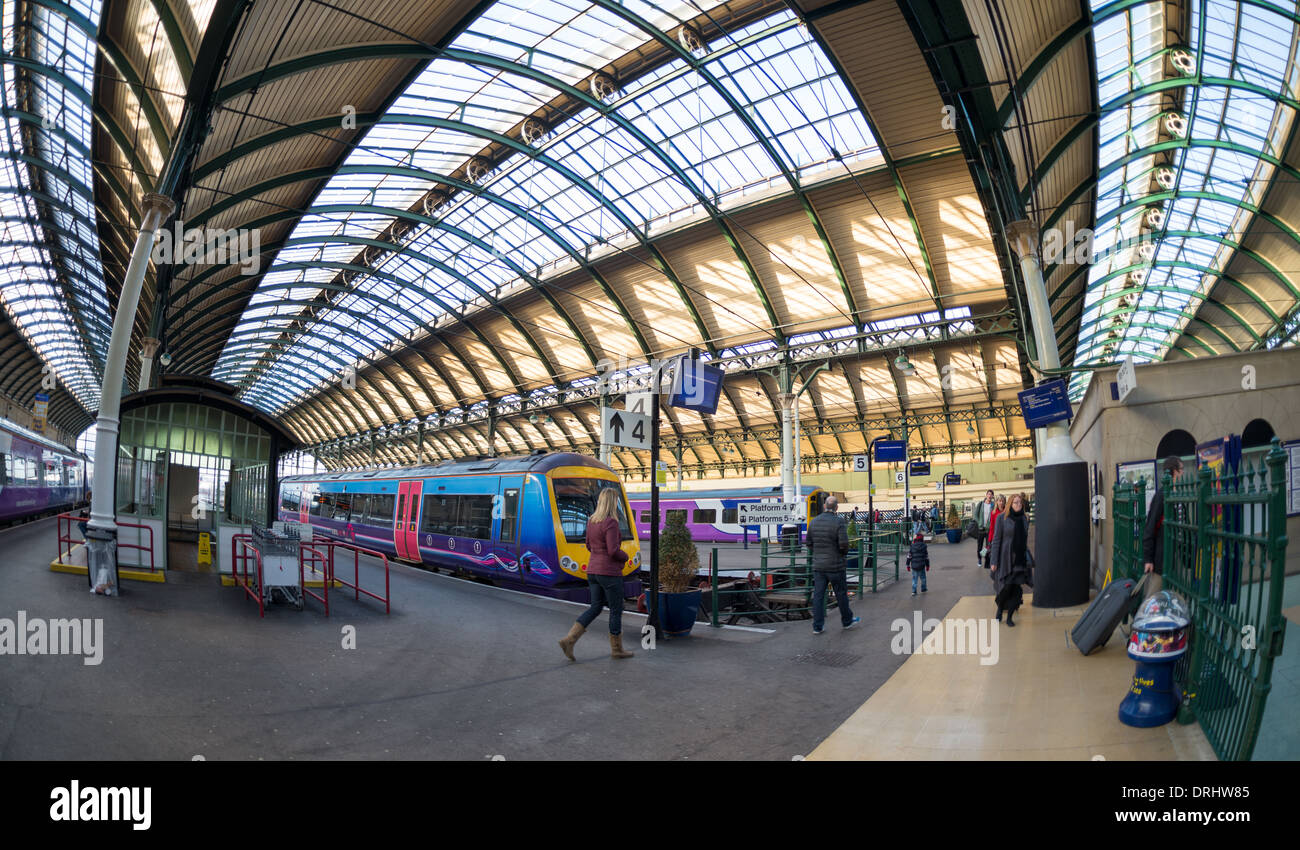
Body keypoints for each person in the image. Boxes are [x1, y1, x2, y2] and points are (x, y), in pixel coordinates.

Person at [559, 488, 632, 660]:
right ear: (613, 503)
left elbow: (589, 546)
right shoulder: (611, 523)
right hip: (609, 572)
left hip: (593, 570)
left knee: (595, 607)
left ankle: (570, 639)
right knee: (616, 610)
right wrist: (625, 556)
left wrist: (599, 554)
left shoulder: (592, 521)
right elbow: (613, 550)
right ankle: (617, 649)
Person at [806, 495, 860, 634]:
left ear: (824, 506)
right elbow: (844, 544)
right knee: (841, 594)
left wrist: (818, 553)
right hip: (836, 566)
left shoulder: (814, 522)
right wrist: (842, 554)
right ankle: (847, 621)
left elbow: (809, 543)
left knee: (818, 596)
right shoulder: (839, 522)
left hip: (819, 566)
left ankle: (817, 626)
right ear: (836, 507)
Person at [1141, 457, 1185, 600]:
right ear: (1174, 471)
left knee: (1175, 597)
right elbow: (1150, 527)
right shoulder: (1161, 495)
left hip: (1177, 555)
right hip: (1162, 558)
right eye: (1181, 470)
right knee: (1153, 598)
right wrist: (1148, 559)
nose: (1183, 473)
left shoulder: (1178, 494)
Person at [989, 492, 1033, 626]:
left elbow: (1024, 539)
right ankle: (1000, 608)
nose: (1018, 505)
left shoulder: (1025, 518)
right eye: (1016, 502)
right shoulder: (1002, 518)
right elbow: (996, 540)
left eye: (1020, 502)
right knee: (1006, 587)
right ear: (1010, 504)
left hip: (1020, 559)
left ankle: (1009, 617)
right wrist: (994, 561)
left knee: (1017, 590)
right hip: (1006, 559)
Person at [983, 494, 1006, 571]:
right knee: (995, 552)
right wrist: (990, 539)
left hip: (1005, 536)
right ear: (996, 502)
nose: (1001, 503)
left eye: (1003, 501)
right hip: (996, 537)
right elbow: (992, 527)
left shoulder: (1006, 511)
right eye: (1000, 501)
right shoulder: (993, 512)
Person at [907, 531, 930, 596]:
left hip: (914, 566)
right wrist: (927, 565)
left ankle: (914, 591)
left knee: (914, 579)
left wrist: (908, 565)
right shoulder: (924, 546)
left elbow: (909, 556)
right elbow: (926, 557)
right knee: (923, 578)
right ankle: (923, 588)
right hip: (922, 565)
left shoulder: (912, 546)